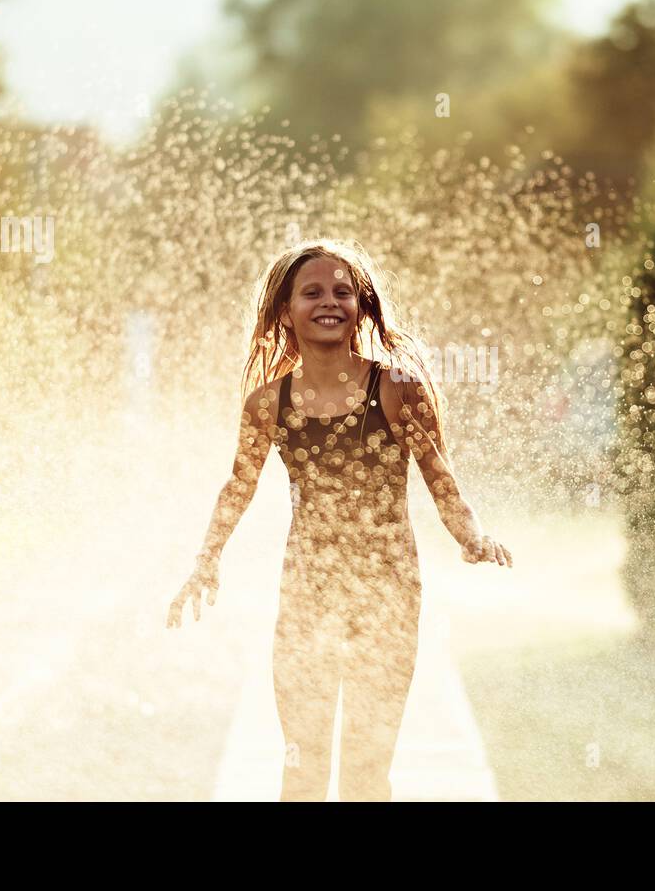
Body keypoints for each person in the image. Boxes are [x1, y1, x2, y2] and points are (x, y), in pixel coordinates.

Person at [167, 238, 513, 801]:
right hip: (308, 594)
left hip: (388, 594)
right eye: (312, 292)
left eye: (343, 291)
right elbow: (239, 484)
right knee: (302, 769)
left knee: (365, 773)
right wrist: (207, 559)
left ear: (361, 306)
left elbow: (439, 476)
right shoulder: (267, 403)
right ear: (286, 311)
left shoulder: (398, 390)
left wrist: (471, 534)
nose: (329, 301)